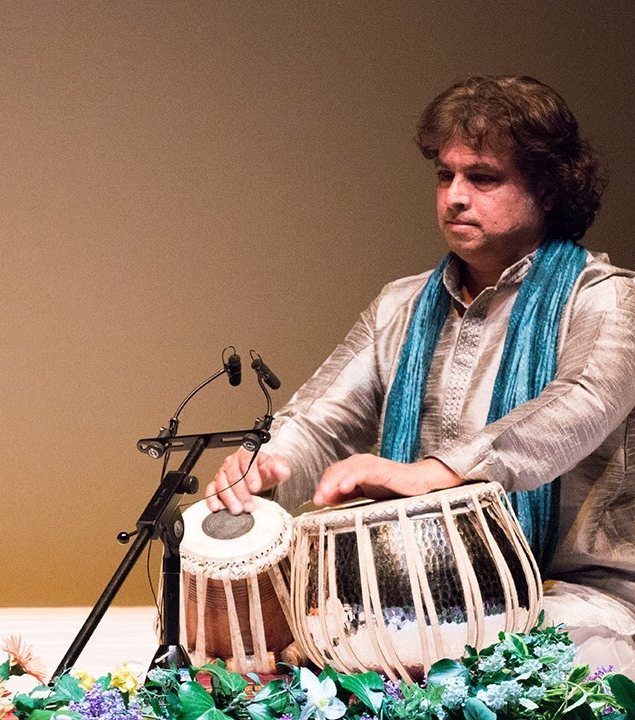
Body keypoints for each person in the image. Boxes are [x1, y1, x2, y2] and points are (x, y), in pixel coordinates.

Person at [205, 76, 635, 670]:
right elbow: (321, 422)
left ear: (549, 189)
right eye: (444, 175)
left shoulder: (607, 300)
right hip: (414, 591)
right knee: (258, 667)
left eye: (482, 177)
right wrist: (270, 464)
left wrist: (436, 473)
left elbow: (580, 403)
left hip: (577, 596)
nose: (455, 195)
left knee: (528, 673)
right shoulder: (400, 307)